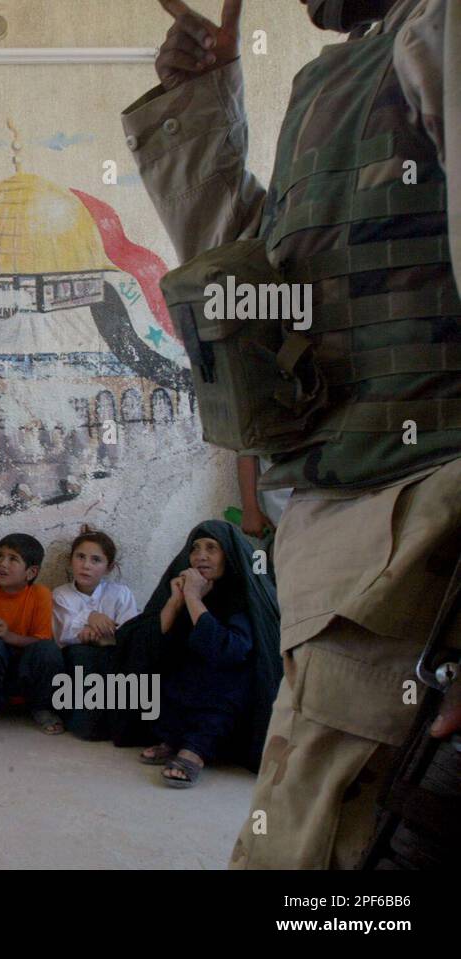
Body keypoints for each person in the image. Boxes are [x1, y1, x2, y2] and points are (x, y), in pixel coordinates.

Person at [123, 0, 460, 866]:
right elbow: (260, 294)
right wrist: (202, 103)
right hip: (346, 546)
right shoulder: (343, 76)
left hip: (420, 548)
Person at [123, 521, 282, 788]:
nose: (201, 556)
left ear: (228, 555)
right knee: (166, 665)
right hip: (188, 682)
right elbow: (150, 642)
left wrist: (194, 599)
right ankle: (174, 739)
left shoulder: (243, 596)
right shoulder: (188, 586)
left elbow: (229, 650)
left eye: (212, 548)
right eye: (195, 548)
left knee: (221, 680)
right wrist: (176, 600)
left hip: (231, 688)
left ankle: (195, 749)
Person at [0, 533, 62, 734]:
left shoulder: (40, 595)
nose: (3, 563)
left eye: (13, 559)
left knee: (48, 650)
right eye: (0, 556)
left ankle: (42, 707)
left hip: (28, 673)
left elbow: (42, 641)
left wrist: (8, 635)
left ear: (31, 572)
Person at [52, 526, 140, 740]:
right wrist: (91, 618)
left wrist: (102, 636)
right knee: (82, 655)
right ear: (71, 560)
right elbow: (63, 631)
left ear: (108, 567)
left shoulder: (120, 594)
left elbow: (129, 631)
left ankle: (118, 722)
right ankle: (86, 724)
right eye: (80, 557)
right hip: (78, 656)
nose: (86, 565)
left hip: (113, 652)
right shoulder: (61, 594)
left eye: (95, 560)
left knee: (121, 662)